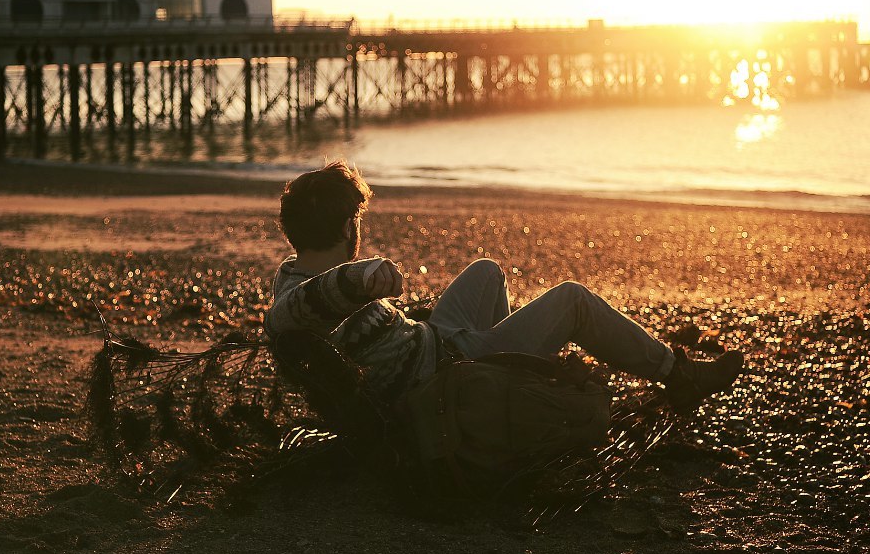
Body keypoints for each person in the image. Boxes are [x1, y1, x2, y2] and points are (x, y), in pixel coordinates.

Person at [266, 160, 743, 413]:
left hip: (435, 342)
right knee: (572, 298)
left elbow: (312, 300)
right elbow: (302, 308)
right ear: (349, 226)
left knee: (487, 270)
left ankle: (516, 370)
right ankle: (677, 375)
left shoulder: (292, 270)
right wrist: (366, 274)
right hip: (449, 372)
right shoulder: (303, 297)